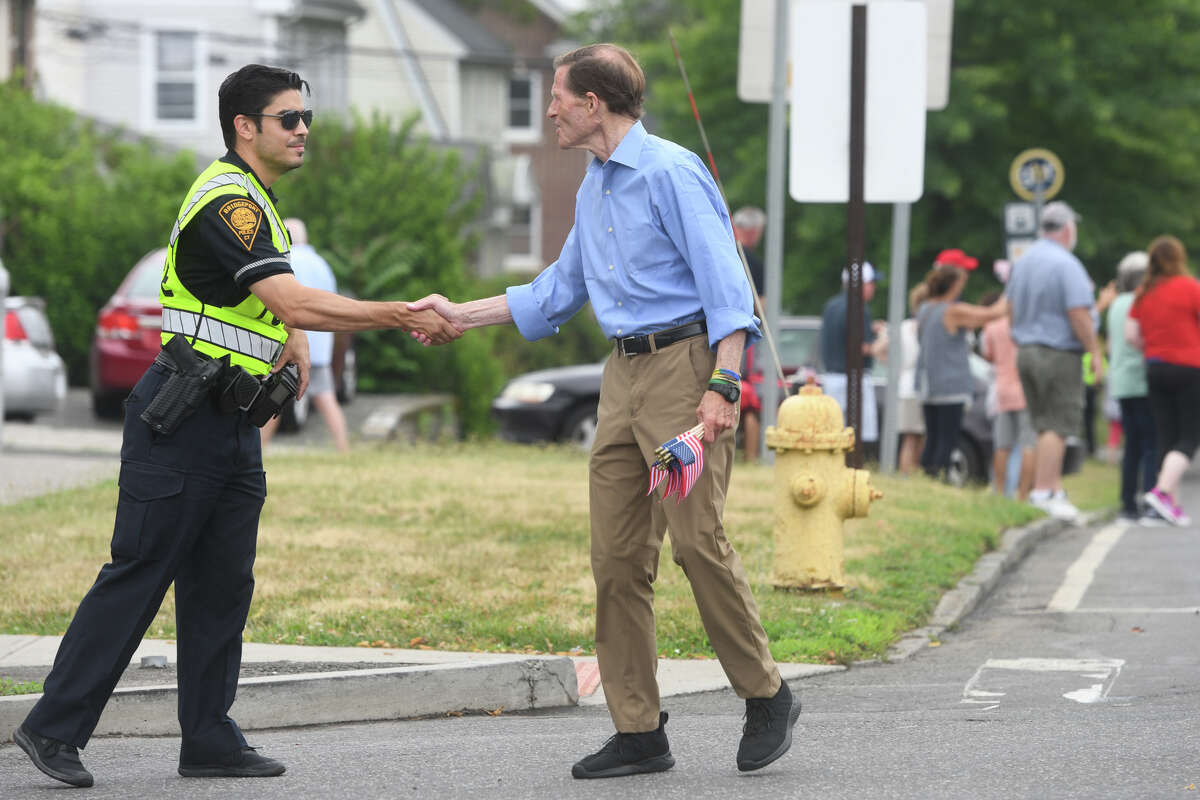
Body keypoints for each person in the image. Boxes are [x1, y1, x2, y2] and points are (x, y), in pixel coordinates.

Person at [11, 64, 458, 789]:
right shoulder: (230, 203)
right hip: (183, 419)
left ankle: (210, 738)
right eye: (289, 118)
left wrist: (295, 342)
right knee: (138, 575)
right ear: (245, 127)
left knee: (223, 585)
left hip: (230, 420)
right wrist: (398, 314)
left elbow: (268, 307)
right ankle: (52, 728)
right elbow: (292, 297)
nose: (304, 129)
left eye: (306, 117)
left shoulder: (259, 201)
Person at [407, 43, 798, 779]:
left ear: (594, 103)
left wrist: (724, 386)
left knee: (695, 541)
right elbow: (558, 290)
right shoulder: (592, 187)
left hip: (686, 372)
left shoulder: (671, 173)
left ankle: (766, 693)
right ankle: (639, 729)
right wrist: (459, 314)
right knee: (616, 559)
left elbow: (728, 291)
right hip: (620, 378)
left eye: (558, 95)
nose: (549, 108)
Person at [1005, 201, 1104, 522]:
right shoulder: (1066, 263)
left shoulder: (1024, 260)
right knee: (1058, 424)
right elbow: (1078, 312)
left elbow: (1009, 308)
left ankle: (1052, 489)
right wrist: (1094, 351)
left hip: (1026, 349)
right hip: (1058, 352)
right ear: (1066, 230)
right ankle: (1044, 491)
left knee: (1041, 421)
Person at [915, 250, 1007, 480]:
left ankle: (928, 479)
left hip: (929, 384)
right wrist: (1013, 283)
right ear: (954, 284)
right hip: (950, 386)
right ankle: (940, 479)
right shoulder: (953, 311)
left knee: (933, 437)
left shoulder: (925, 308)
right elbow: (994, 313)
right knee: (948, 438)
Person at [1127, 235, 1200, 526]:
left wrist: (1155, 344)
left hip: (1155, 368)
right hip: (1188, 368)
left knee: (1166, 437)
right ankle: (1161, 492)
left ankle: (1166, 508)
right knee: (1189, 438)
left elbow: (1131, 336)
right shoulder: (1190, 287)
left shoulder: (1143, 292)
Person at [260, 218, 350, 452]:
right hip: (319, 344)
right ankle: (343, 449)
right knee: (326, 398)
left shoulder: (285, 261)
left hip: (291, 343)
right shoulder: (321, 263)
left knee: (275, 398)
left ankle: (260, 450)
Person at [1107, 251, 1159, 524]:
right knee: (1151, 443)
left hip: (1121, 382)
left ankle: (1127, 504)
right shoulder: (1141, 303)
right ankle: (1151, 500)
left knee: (1132, 445)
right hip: (1141, 379)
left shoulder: (1116, 304)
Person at [820, 262, 884, 446]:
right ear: (861, 284)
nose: (873, 288)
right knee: (859, 436)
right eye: (871, 283)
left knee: (833, 434)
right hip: (855, 379)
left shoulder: (831, 305)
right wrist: (880, 344)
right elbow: (860, 347)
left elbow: (841, 335)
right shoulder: (859, 307)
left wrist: (870, 330)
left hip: (832, 378)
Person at [981, 289, 1035, 499]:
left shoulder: (992, 328)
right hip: (1027, 392)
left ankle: (1001, 492)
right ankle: (1022, 495)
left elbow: (989, 356)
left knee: (1002, 446)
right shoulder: (1029, 327)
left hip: (1002, 392)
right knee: (1028, 445)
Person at [732, 206, 766, 462]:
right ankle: (751, 457)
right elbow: (760, 306)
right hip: (742, 336)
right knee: (750, 404)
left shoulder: (718, 250)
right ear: (753, 232)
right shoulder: (752, 261)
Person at [896, 283, 928, 474]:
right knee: (915, 438)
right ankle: (908, 474)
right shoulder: (923, 327)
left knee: (911, 437)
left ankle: (907, 474)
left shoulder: (903, 327)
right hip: (918, 385)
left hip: (904, 385)